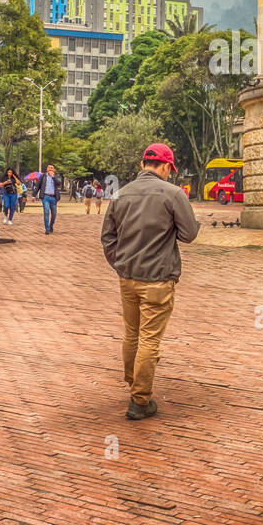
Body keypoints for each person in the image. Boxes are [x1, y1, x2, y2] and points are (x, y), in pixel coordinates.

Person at [100, 143, 200, 419]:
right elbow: (190, 234)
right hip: (157, 279)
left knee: (131, 333)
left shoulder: (121, 193)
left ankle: (134, 383)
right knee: (149, 339)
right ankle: (140, 400)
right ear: (166, 167)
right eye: (170, 169)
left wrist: (120, 264)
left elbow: (108, 237)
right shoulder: (173, 193)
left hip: (128, 278)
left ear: (143, 163)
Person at [34, 163, 62, 235]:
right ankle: (47, 229)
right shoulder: (43, 176)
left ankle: (51, 225)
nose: (50, 169)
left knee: (54, 214)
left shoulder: (56, 176)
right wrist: (33, 195)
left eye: (52, 168)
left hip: (53, 197)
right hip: (45, 197)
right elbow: (38, 186)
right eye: (49, 168)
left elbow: (59, 183)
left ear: (54, 170)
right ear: (46, 169)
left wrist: (53, 176)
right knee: (46, 212)